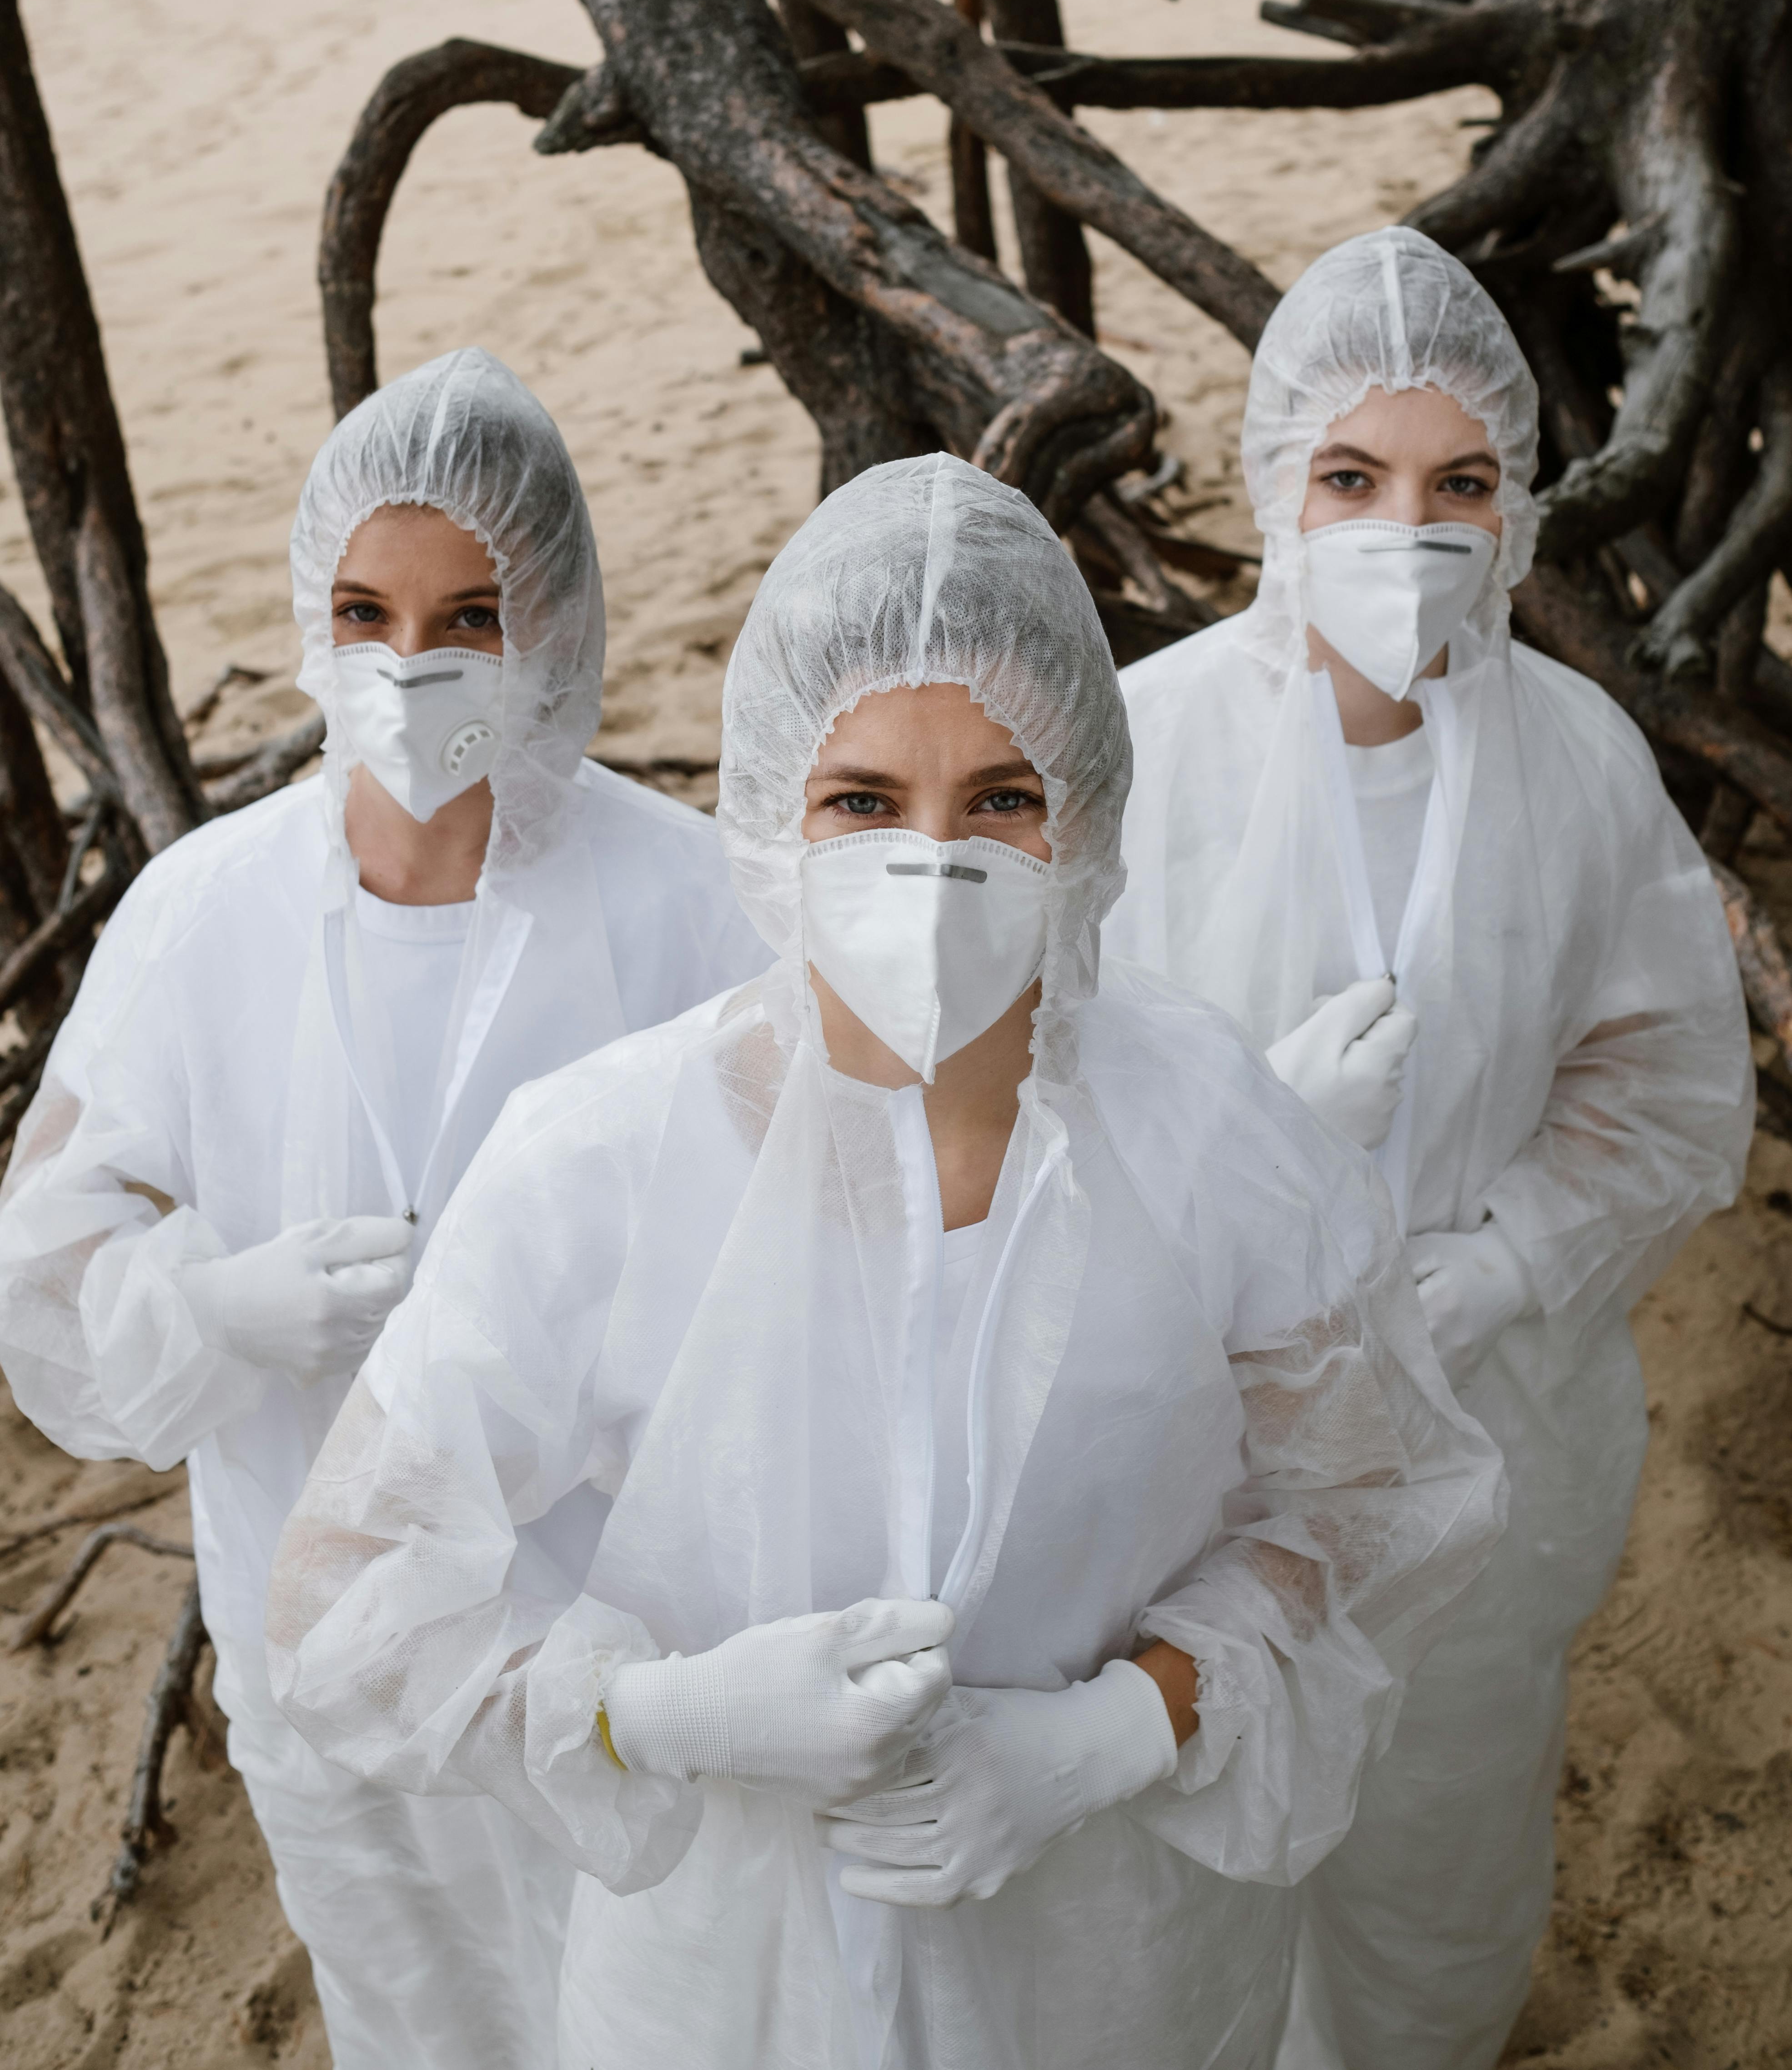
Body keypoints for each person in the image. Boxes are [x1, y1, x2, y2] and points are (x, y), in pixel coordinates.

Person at [266, 451, 1502, 2070]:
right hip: (722, 1995)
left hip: (1121, 1975)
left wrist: (1122, 1727)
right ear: (774, 819)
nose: (933, 865)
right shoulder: (602, 1167)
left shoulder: (1205, 1133)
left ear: (1088, 822)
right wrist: (656, 1714)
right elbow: (346, 1600)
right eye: (863, 802)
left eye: (1002, 798)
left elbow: (1381, 1497)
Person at [0, 347, 764, 2070]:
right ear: (311, 614)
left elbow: (806, 1239)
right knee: (417, 2011)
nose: (410, 665)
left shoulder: (688, 906)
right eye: (365, 610)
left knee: (655, 2012)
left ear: (552, 621)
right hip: (315, 1639)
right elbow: (47, 1263)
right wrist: (207, 1310)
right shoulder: (205, 918)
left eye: (469, 614)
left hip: (610, 1639)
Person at [1108, 229, 1755, 2070]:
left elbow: (1654, 1072)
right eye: (1350, 477)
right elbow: (1027, 1104)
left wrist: (1504, 1259)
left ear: (1516, 504)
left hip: (1485, 1448)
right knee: (1186, 1886)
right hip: (1185, 1462)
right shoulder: (1140, 761)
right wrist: (1234, 1175)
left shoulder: (1569, 760)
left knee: (1439, 1863)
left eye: (1455, 481)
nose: (1407, 528)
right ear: (1270, 489)